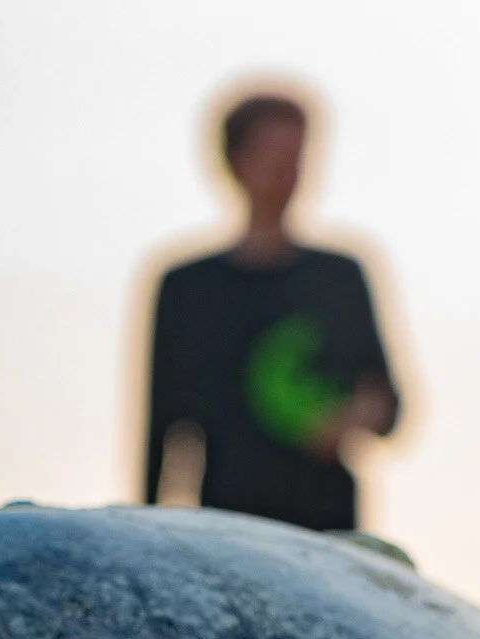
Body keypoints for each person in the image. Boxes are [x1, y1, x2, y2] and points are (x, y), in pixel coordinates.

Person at [143, 92, 401, 532]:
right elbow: (162, 428)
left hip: (328, 528)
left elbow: (390, 405)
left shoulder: (340, 276)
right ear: (235, 161)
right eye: (273, 155)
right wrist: (146, 535)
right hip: (228, 527)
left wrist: (351, 417)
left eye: (298, 156)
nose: (288, 172)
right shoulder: (187, 287)